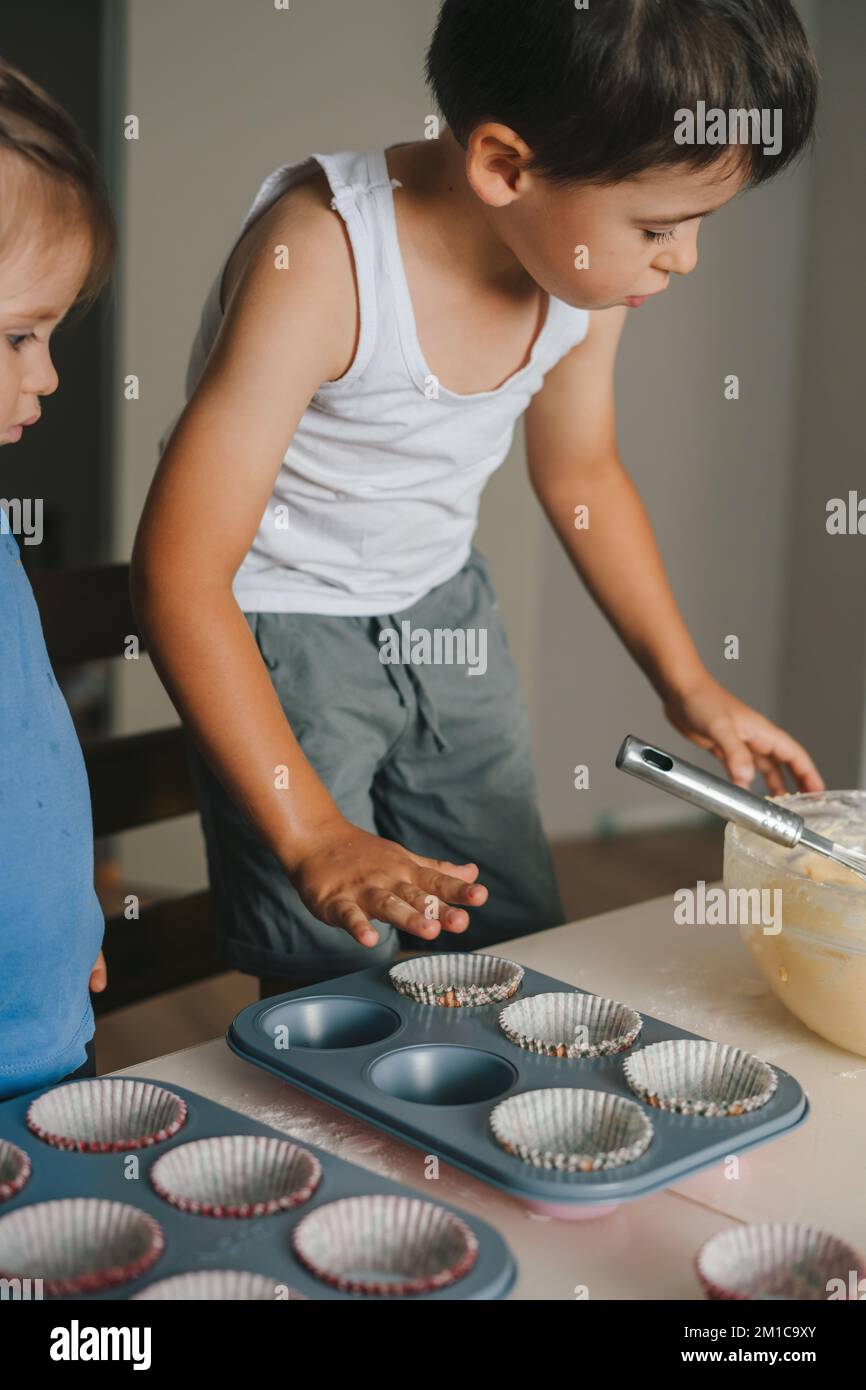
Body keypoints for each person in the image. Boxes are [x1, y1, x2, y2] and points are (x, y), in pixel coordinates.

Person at [131, 0, 823, 993]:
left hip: (446, 609)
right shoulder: (322, 255)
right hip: (278, 628)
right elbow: (179, 575)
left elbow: (581, 471)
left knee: (508, 943)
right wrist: (311, 828)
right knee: (327, 962)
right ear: (504, 165)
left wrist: (689, 684)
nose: (681, 260)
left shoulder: (583, 273)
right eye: (659, 226)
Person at [0, 59, 115, 1098]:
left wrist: (66, 916)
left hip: (50, 1024)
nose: (47, 375)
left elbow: (28, 747)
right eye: (17, 336)